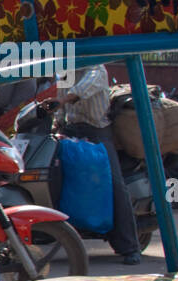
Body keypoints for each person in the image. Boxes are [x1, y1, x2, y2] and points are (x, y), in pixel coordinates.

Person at [60, 63, 142, 263]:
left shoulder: (96, 68)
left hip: (97, 132)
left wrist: (60, 100)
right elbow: (61, 105)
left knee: (114, 184)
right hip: (71, 131)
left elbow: (79, 92)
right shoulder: (66, 70)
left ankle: (130, 247)